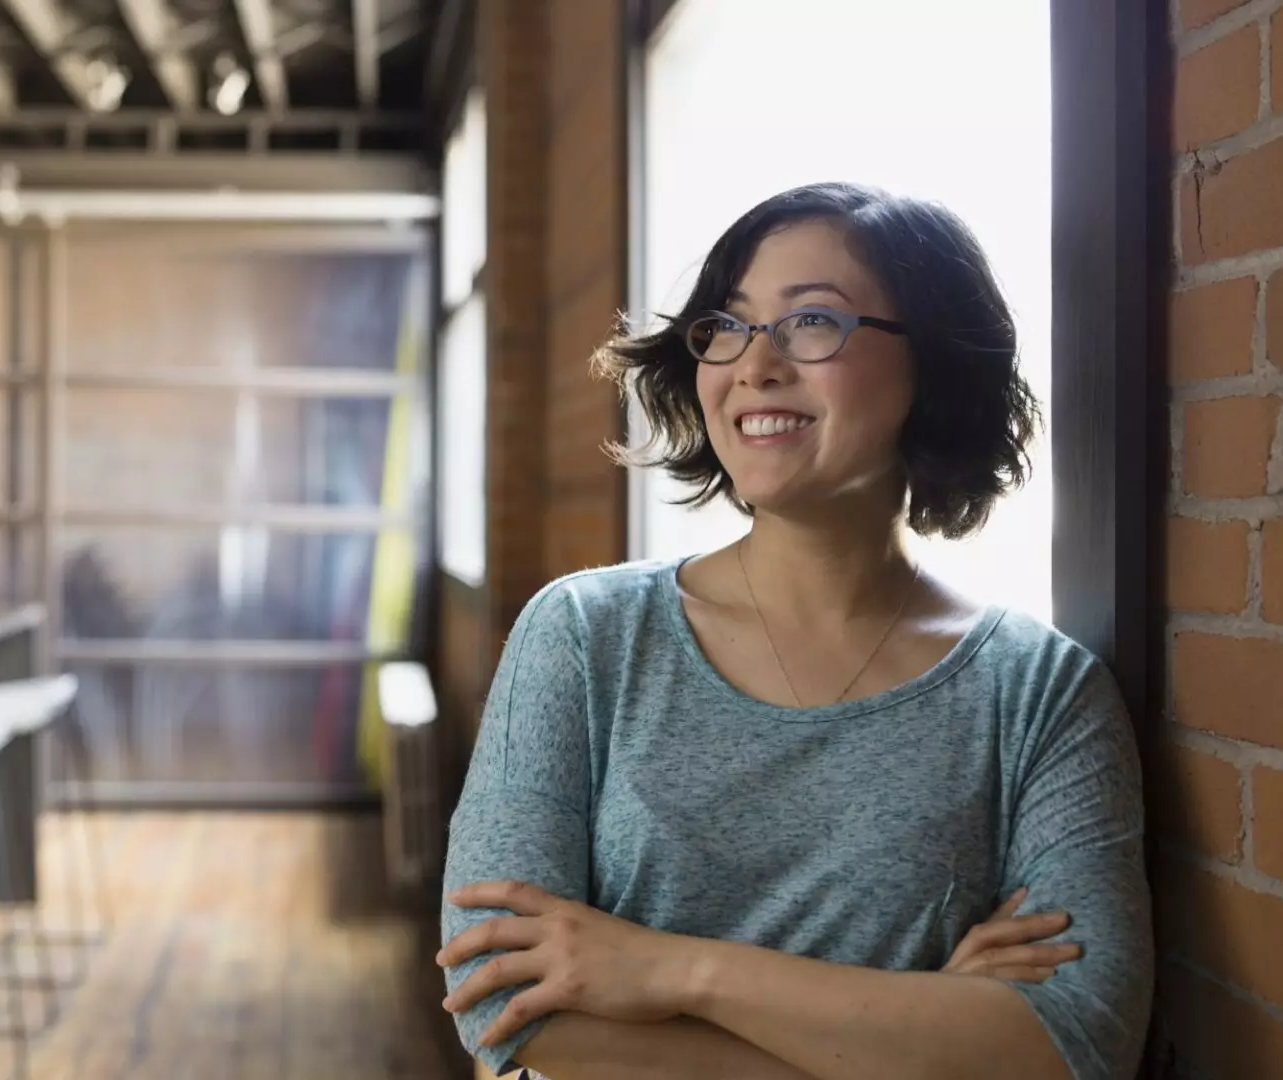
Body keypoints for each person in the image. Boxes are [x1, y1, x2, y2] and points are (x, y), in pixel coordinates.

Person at [436, 182, 1151, 1080]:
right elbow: (498, 1002)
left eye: (813, 323)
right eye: (727, 326)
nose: (754, 365)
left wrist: (668, 969)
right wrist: (917, 1027)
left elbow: (1080, 1041)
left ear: (931, 362)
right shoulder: (586, 635)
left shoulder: (1040, 691)